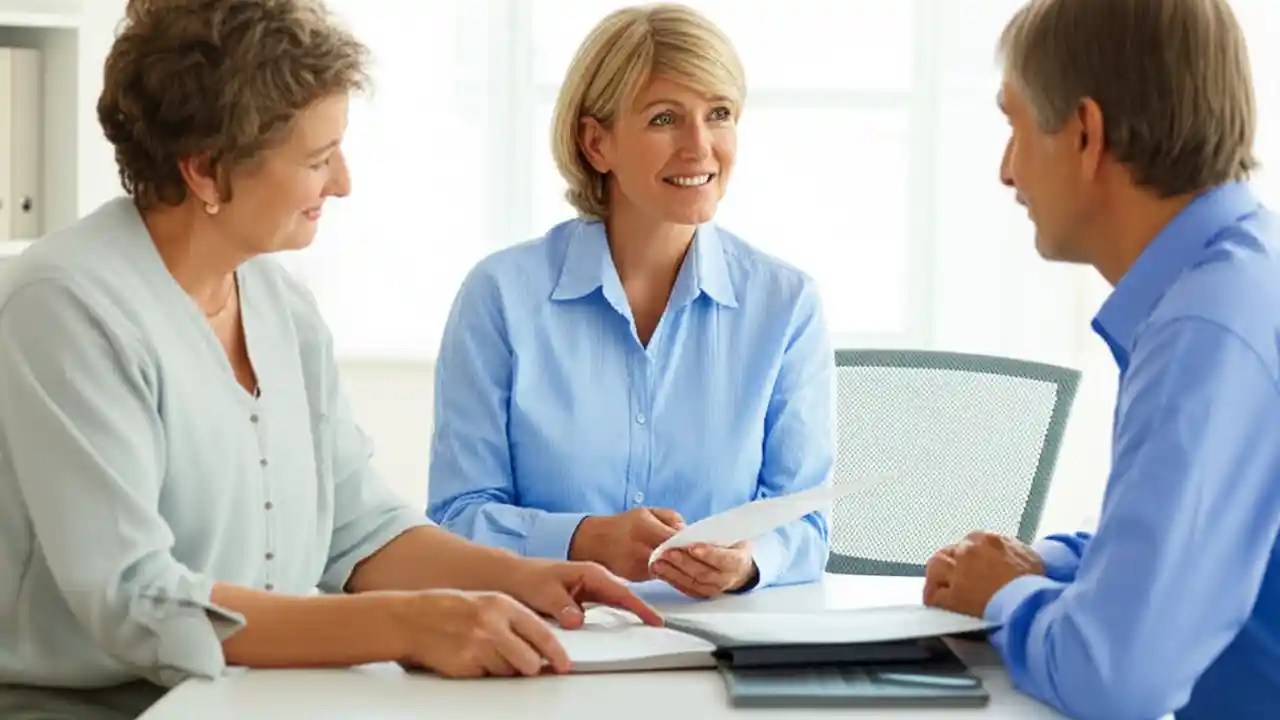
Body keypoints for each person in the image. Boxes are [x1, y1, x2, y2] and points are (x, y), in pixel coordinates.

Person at [0, 0, 661, 698]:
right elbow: (135, 598)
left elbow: (359, 526)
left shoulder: (279, 305)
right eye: (317, 159)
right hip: (93, 708)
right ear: (204, 170)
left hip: (253, 695)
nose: (342, 182)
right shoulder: (66, 309)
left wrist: (524, 579)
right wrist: (406, 626)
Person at [922, 0, 1280, 717]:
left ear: (1084, 133)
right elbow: (1210, 547)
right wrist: (1046, 565)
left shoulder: (1205, 330)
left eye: (1013, 125)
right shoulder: (1240, 277)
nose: (1005, 171)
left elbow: (1117, 676)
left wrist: (1002, 595)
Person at [427, 3, 833, 599]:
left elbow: (806, 524)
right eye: (665, 118)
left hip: (722, 645)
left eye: (718, 114)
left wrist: (749, 561)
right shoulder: (501, 298)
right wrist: (584, 539)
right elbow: (458, 518)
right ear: (597, 143)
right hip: (547, 639)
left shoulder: (786, 305)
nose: (700, 148)